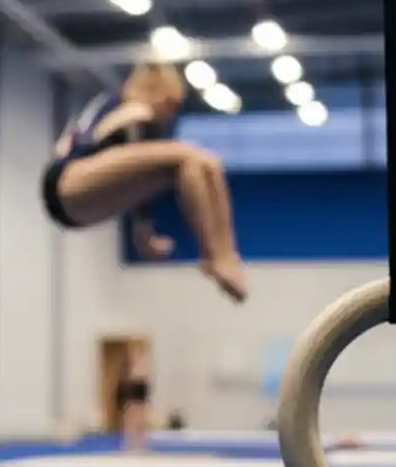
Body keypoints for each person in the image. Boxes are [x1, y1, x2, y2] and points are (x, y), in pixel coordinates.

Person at [41, 61, 247, 302]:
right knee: (194, 158)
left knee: (204, 163)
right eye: (172, 105)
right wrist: (143, 230)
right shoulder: (134, 109)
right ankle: (218, 257)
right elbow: (132, 147)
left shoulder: (117, 108)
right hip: (68, 180)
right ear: (159, 94)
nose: (170, 116)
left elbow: (132, 176)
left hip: (75, 204)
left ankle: (224, 255)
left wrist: (143, 232)